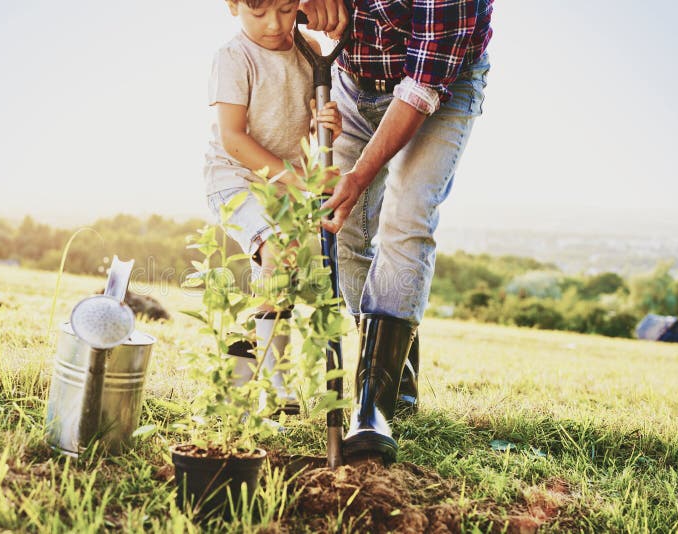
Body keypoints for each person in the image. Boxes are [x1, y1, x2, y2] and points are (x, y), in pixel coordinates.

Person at [299, 0, 493, 464]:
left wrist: (360, 175)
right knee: (343, 232)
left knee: (407, 217)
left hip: (441, 86)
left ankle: (372, 407)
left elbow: (423, 85)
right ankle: (394, 368)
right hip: (350, 78)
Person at [204, 0, 343, 414]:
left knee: (279, 278)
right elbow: (233, 138)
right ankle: (277, 383)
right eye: (259, 13)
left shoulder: (311, 52)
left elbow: (310, 124)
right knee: (279, 254)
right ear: (233, 7)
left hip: (284, 188)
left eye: (285, 10)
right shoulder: (233, 58)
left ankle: (238, 388)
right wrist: (297, 180)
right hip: (236, 180)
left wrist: (324, 124)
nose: (273, 25)